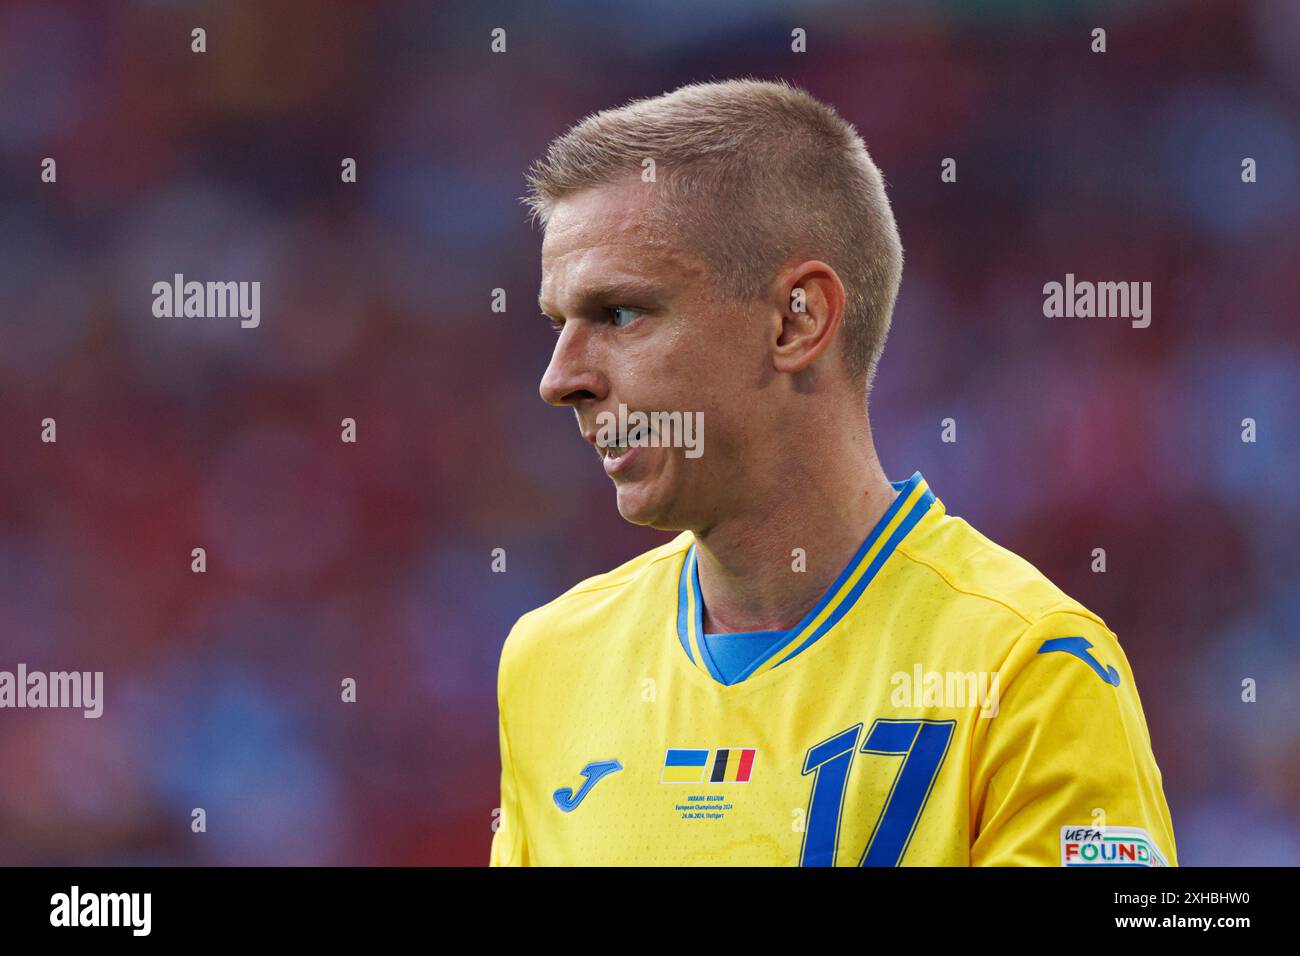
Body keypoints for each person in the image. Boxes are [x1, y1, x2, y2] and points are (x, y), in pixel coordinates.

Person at [490, 78, 1176, 866]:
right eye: (557, 323)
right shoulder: (551, 659)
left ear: (796, 320)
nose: (559, 378)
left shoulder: (1027, 667)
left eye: (618, 314)